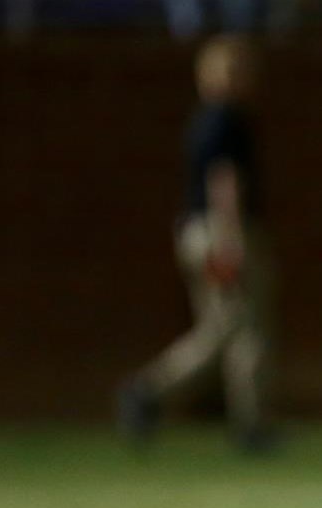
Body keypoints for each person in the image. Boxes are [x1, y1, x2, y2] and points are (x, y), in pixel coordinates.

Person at [118, 35, 278, 454]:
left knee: (220, 330)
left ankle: (149, 392)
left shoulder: (202, 120)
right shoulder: (226, 120)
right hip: (220, 232)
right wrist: (231, 242)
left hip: (197, 231)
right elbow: (223, 182)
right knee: (244, 329)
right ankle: (247, 425)